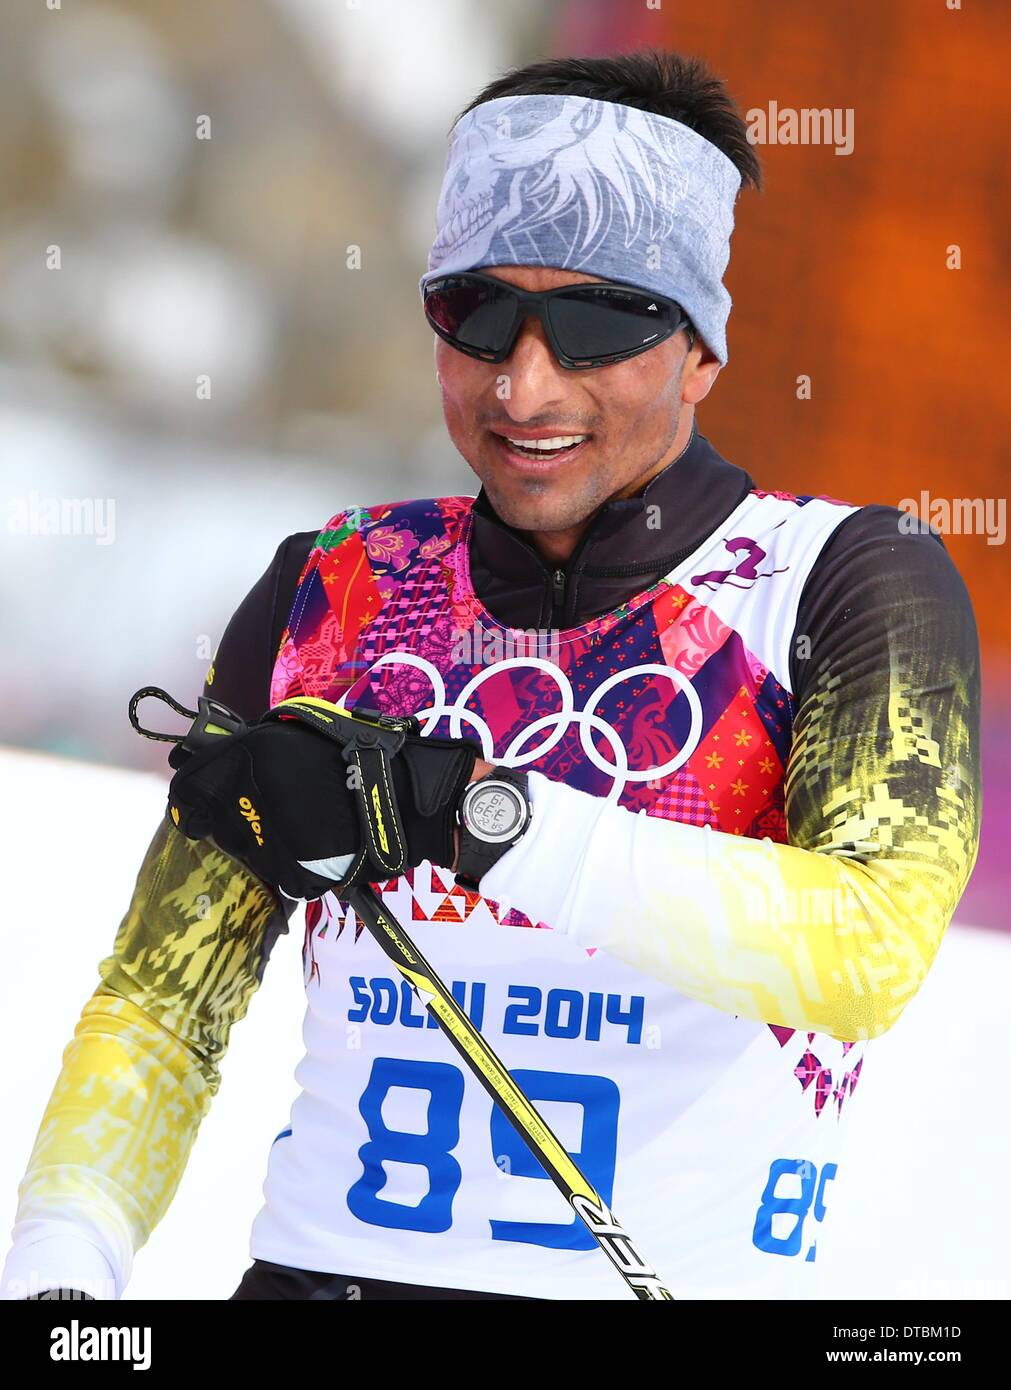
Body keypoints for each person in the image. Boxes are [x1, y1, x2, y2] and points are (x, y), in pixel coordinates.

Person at [2, 49, 981, 1303]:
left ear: (700, 349)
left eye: (593, 325)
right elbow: (161, 1000)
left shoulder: (841, 580)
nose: (524, 385)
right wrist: (61, 1271)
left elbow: (868, 952)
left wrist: (464, 812)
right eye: (474, 315)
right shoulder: (336, 586)